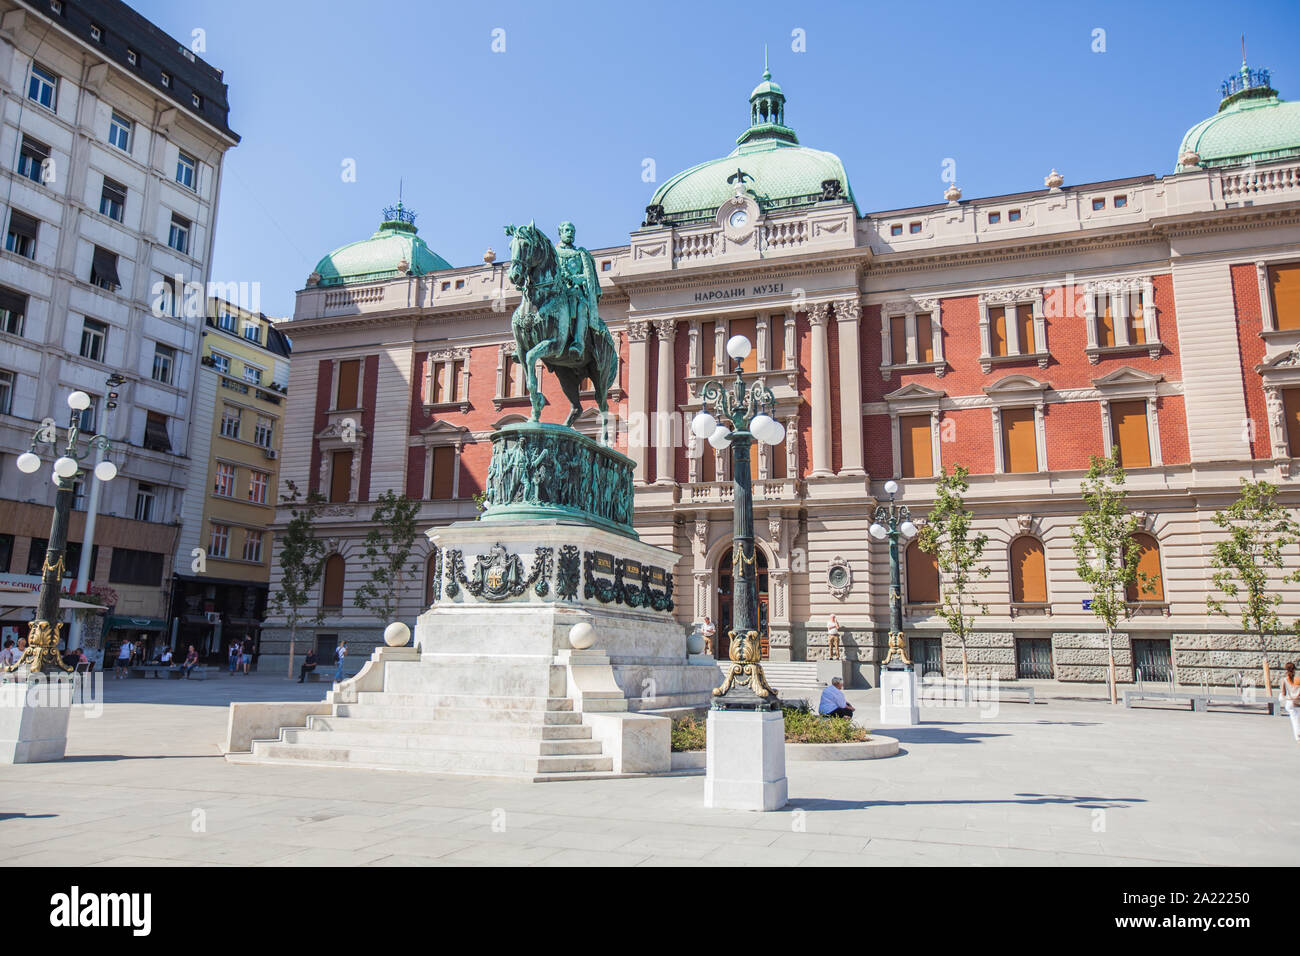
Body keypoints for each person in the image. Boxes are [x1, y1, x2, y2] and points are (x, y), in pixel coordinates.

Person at [1283, 662, 1300, 744]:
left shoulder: (1284, 680)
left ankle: (1298, 736)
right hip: (1297, 702)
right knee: (1296, 719)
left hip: (1289, 702)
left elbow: (1283, 693)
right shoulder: (1298, 679)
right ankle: (1298, 735)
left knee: (1294, 719)